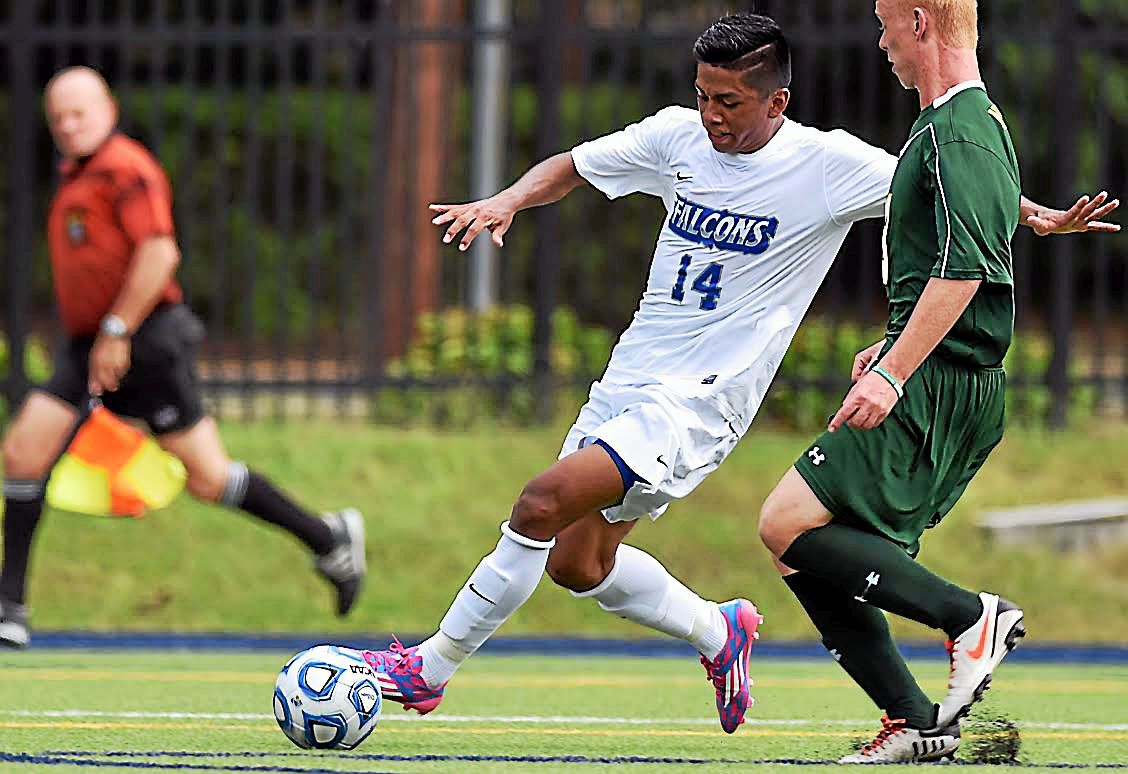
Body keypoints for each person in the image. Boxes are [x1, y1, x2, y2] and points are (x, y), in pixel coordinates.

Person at [360, 13, 1116, 734]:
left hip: (699, 405)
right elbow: (576, 166)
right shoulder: (675, 137)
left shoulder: (827, 165)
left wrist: (1037, 217)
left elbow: (941, 187)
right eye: (703, 95)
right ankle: (720, 632)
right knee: (576, 562)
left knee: (540, 503)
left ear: (776, 101)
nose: (712, 115)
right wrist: (508, 199)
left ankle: (430, 668)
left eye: (730, 101)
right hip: (629, 380)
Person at [757, 0, 1120, 764]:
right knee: (807, 546)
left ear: (920, 22)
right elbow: (964, 230)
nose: (879, 39)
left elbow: (963, 270)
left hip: (939, 380)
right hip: (941, 373)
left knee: (787, 522)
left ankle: (969, 618)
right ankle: (916, 722)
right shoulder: (956, 123)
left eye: (886, 21)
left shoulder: (958, 127)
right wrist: (1038, 221)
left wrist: (894, 368)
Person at [0, 67, 367, 649]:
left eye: (80, 113)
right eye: (58, 118)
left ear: (109, 109)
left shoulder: (125, 167)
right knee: (22, 453)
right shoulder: (79, 175)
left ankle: (328, 538)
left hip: (143, 341)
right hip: (88, 346)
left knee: (208, 478)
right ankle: (9, 609)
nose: (69, 126)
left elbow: (159, 250)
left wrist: (118, 330)